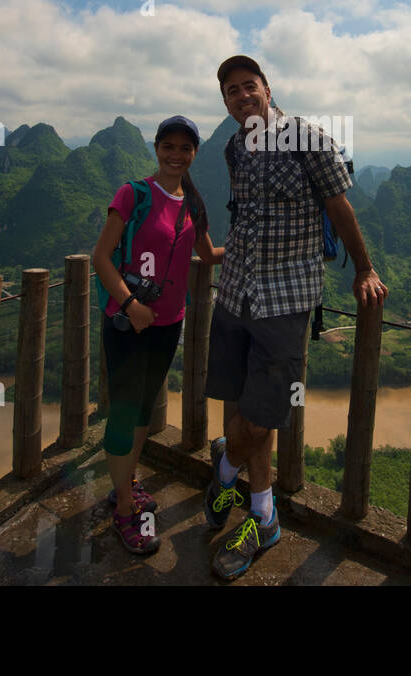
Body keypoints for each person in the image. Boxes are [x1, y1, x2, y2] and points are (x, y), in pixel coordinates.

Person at [204, 55, 388, 580]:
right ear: (226, 102)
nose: (243, 96)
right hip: (234, 292)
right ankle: (261, 515)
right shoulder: (234, 148)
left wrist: (364, 269)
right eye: (232, 90)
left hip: (285, 300)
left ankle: (226, 471)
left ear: (267, 89)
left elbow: (339, 206)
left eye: (250, 85)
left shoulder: (308, 138)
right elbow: (246, 216)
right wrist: (220, 256)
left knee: (259, 418)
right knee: (244, 408)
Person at [93, 115, 223, 554]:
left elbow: (208, 255)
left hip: (168, 325)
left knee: (143, 412)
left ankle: (124, 483)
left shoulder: (193, 206)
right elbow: (101, 257)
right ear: (156, 149)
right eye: (168, 146)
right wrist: (131, 304)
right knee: (124, 414)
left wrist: (257, 246)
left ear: (194, 153)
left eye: (185, 148)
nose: (176, 155)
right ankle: (124, 511)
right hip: (128, 323)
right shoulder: (133, 194)